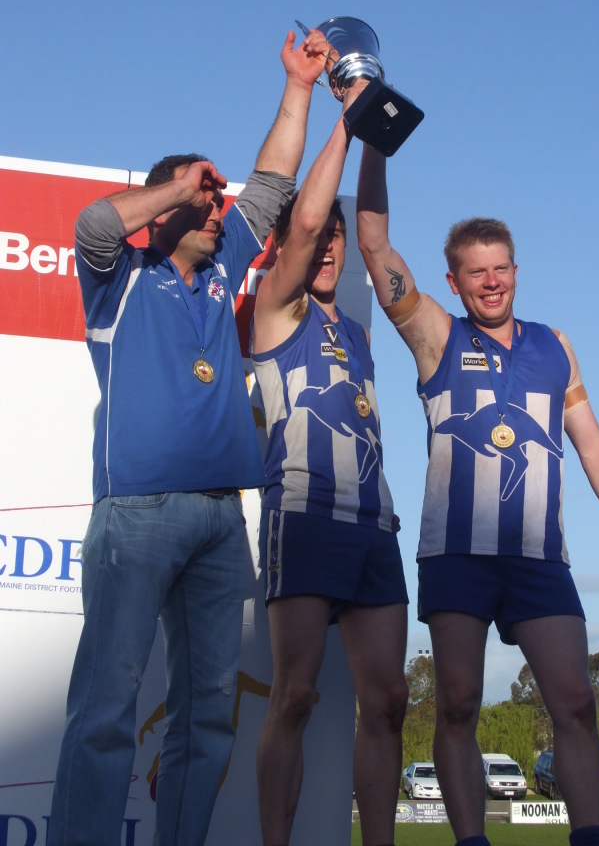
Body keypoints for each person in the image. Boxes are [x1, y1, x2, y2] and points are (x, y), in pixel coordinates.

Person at [48, 29, 330, 846]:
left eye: (215, 201)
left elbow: (273, 185)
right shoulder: (119, 279)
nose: (217, 210)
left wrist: (299, 86)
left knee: (209, 714)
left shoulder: (218, 276)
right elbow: (93, 222)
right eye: (202, 201)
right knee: (106, 705)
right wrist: (179, 189)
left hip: (218, 521)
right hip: (136, 516)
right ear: (166, 204)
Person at [356, 149, 599, 846]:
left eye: (501, 268)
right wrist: (374, 145)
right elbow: (373, 243)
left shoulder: (556, 346)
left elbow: (592, 443)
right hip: (457, 552)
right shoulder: (435, 335)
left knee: (576, 702)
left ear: (516, 272)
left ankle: (592, 837)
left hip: (539, 559)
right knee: (457, 703)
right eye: (476, 272)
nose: (491, 282)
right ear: (454, 282)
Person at [250, 46, 409, 846]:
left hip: (372, 527)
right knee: (297, 695)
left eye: (336, 242)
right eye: (317, 240)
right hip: (305, 514)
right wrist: (344, 117)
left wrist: (376, 131)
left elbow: (363, 221)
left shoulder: (355, 329)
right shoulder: (273, 308)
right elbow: (307, 215)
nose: (328, 247)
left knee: (386, 702)